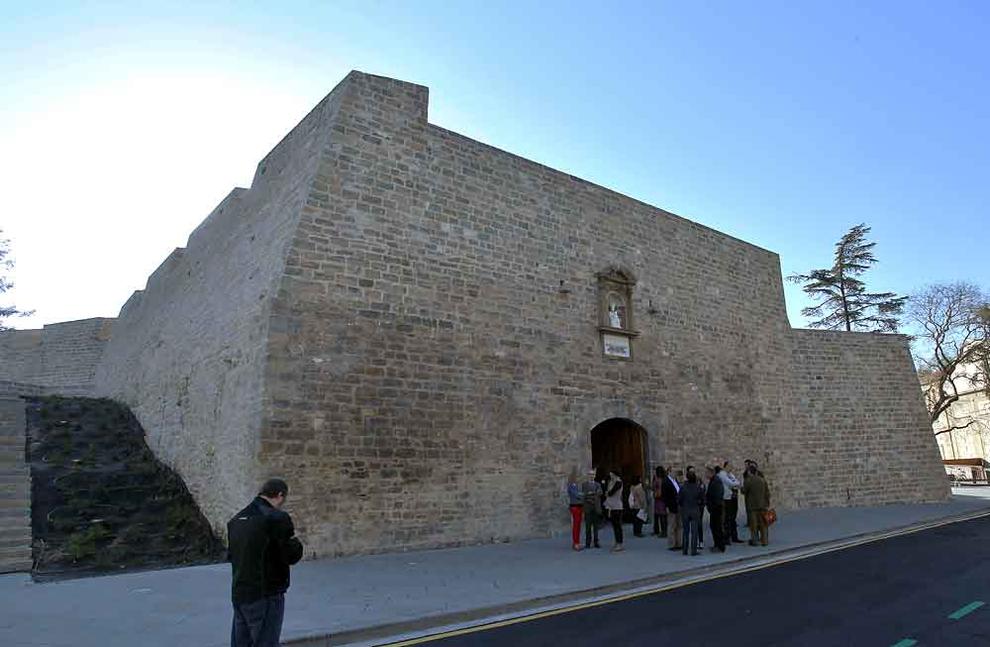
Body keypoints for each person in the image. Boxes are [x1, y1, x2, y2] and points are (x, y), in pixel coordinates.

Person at [228, 478, 304, 647]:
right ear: (280, 495)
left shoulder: (236, 520)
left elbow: (232, 555)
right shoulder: (276, 518)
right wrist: (296, 544)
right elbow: (290, 555)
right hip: (266, 594)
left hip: (240, 593)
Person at [741, 464, 771, 546]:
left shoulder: (748, 480)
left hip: (752, 506)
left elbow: (743, 491)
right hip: (763, 505)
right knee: (763, 524)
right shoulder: (762, 480)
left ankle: (755, 541)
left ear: (750, 472)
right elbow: (767, 493)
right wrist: (767, 503)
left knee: (753, 525)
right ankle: (765, 541)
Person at [677, 468, 704, 556]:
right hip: (695, 510)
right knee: (694, 531)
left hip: (685, 510)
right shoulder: (698, 487)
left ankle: (685, 550)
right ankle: (693, 550)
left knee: (685, 531)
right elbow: (702, 499)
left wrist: (682, 505)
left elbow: (679, 499)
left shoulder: (683, 487)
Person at [719, 461, 743, 543]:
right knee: (727, 519)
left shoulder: (731, 474)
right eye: (730, 466)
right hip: (726, 499)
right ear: (725, 466)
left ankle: (734, 537)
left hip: (733, 498)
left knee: (733, 518)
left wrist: (735, 483)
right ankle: (726, 537)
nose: (731, 468)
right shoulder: (722, 475)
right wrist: (735, 484)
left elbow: (737, 482)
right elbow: (731, 483)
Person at [581, 468, 603, 549]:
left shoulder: (598, 484)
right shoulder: (584, 484)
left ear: (595, 475)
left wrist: (591, 494)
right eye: (590, 474)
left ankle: (596, 542)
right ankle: (588, 543)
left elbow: (600, 493)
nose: (592, 476)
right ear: (588, 475)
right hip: (588, 508)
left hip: (596, 507)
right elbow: (584, 495)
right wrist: (592, 495)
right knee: (588, 527)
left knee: (596, 527)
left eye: (593, 474)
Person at [706, 466, 726, 553]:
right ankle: (717, 545)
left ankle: (720, 546)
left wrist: (713, 505)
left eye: (707, 473)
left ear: (712, 473)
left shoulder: (716, 481)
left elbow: (717, 495)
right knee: (714, 527)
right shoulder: (714, 481)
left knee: (717, 527)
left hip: (716, 508)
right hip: (714, 508)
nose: (706, 475)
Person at [604, 470, 625, 552]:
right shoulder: (612, 482)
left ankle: (619, 543)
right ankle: (617, 542)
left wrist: (607, 493)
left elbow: (611, 492)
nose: (610, 475)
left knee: (617, 525)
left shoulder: (618, 482)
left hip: (617, 506)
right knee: (615, 525)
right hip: (613, 506)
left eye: (611, 474)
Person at [566, 468, 584, 551]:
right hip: (574, 507)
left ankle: (577, 542)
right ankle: (575, 542)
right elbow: (577, 495)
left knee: (578, 525)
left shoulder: (576, 485)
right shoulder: (571, 486)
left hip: (579, 506)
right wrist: (583, 495)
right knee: (575, 525)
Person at [666, 468, 682, 551]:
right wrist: (667, 506)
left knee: (679, 525)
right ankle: (672, 544)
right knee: (672, 525)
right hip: (671, 506)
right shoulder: (666, 482)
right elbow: (665, 496)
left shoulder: (676, 481)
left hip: (678, 505)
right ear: (669, 472)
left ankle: (679, 542)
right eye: (674, 472)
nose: (675, 473)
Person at [652, 466, 668, 537]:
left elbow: (656, 487)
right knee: (659, 515)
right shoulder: (662, 479)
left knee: (661, 515)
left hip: (660, 498)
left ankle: (663, 531)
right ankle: (659, 530)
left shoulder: (659, 480)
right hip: (660, 498)